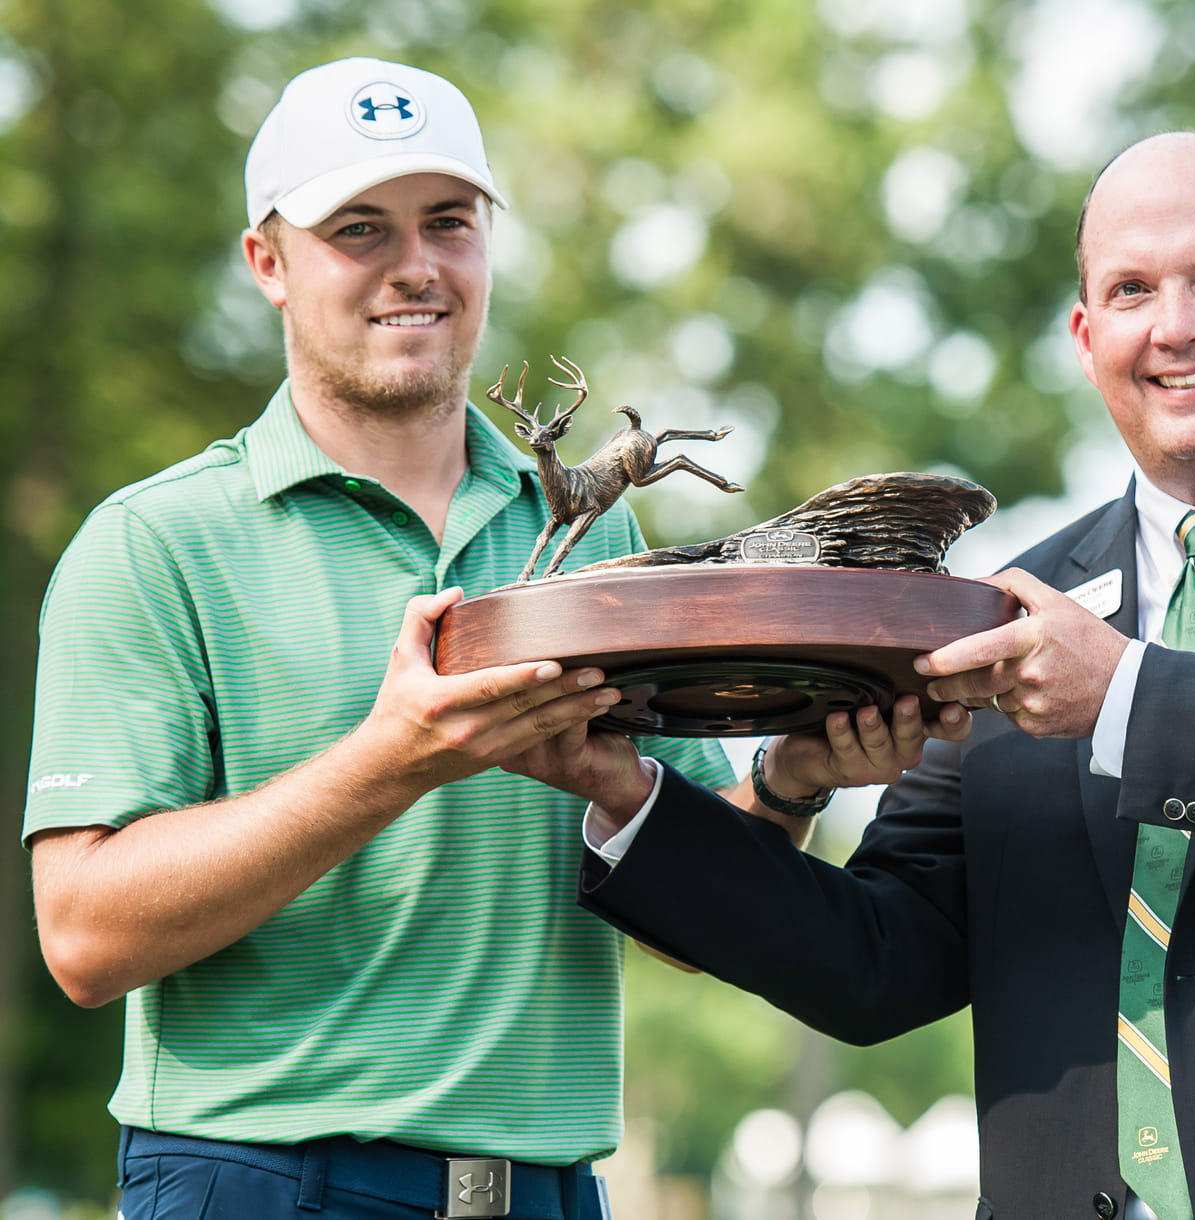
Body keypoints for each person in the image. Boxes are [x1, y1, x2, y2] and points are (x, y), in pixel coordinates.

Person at [524, 132, 1195, 1218]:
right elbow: (883, 962)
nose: (1176, 326)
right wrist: (688, 794)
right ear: (1087, 339)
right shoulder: (1010, 601)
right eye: (1131, 289)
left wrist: (1126, 695)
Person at [22, 57, 947, 1220]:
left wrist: (793, 780)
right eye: (358, 229)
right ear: (268, 262)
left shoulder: (592, 542)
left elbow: (688, 927)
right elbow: (85, 935)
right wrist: (393, 756)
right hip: (261, 1180)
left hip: (551, 1191)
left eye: (447, 223)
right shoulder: (154, 544)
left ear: (487, 241)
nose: (414, 265)